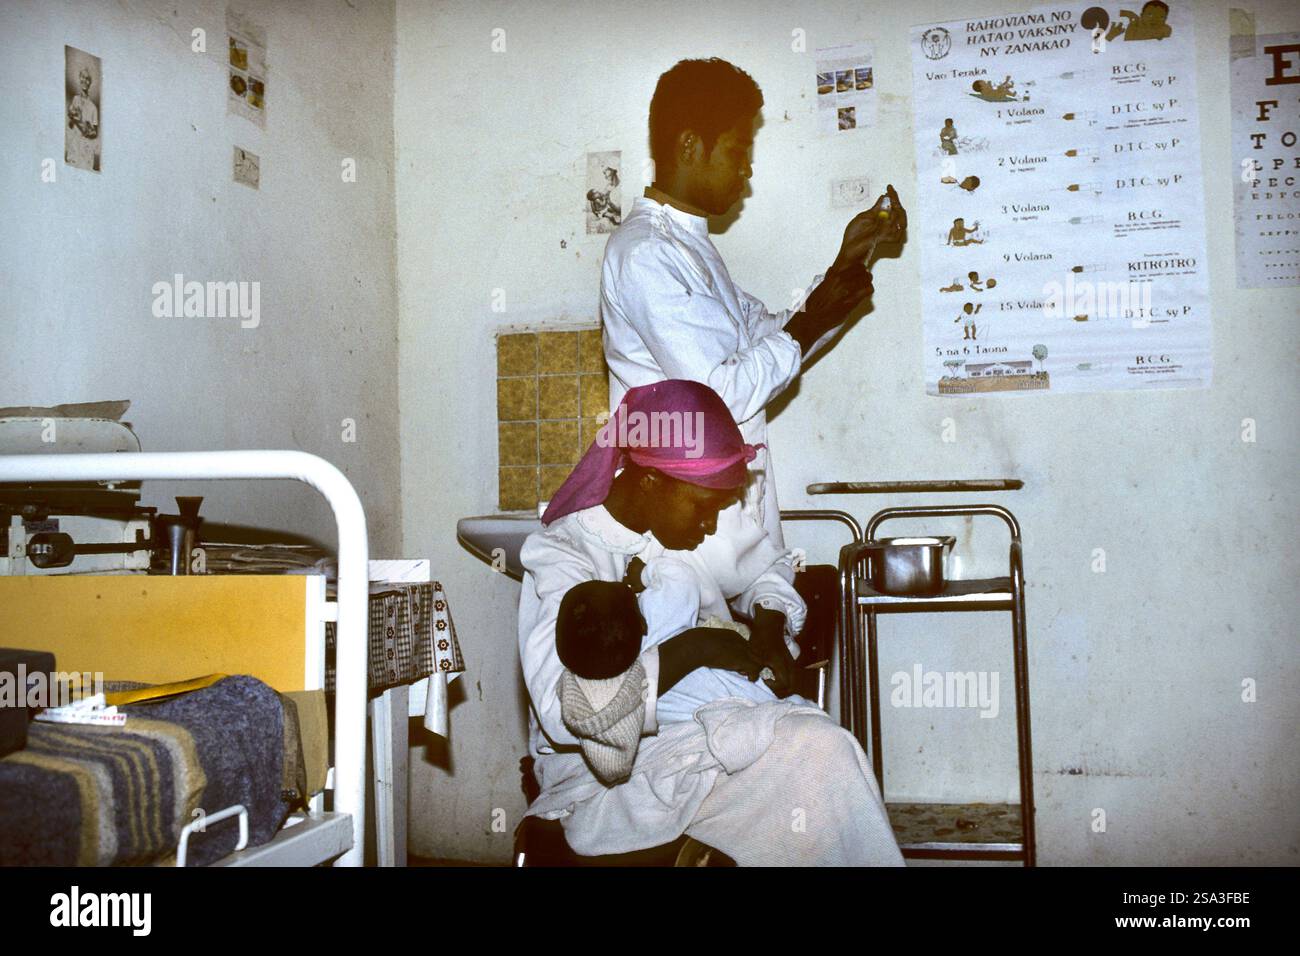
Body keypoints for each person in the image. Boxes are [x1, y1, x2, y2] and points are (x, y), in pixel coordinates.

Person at [598, 59, 906, 694]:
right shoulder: (644, 253)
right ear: (690, 145)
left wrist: (846, 268)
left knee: (753, 726)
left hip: (731, 533)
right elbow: (723, 392)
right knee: (709, 726)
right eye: (738, 151)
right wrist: (811, 317)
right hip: (683, 535)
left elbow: (772, 339)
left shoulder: (688, 246)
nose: (747, 171)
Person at [519, 380, 904, 865]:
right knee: (810, 762)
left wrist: (768, 620)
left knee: (824, 751)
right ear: (650, 481)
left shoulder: (680, 523)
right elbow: (564, 716)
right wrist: (693, 649)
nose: (708, 527)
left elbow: (770, 567)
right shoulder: (563, 556)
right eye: (702, 508)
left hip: (702, 738)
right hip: (606, 775)